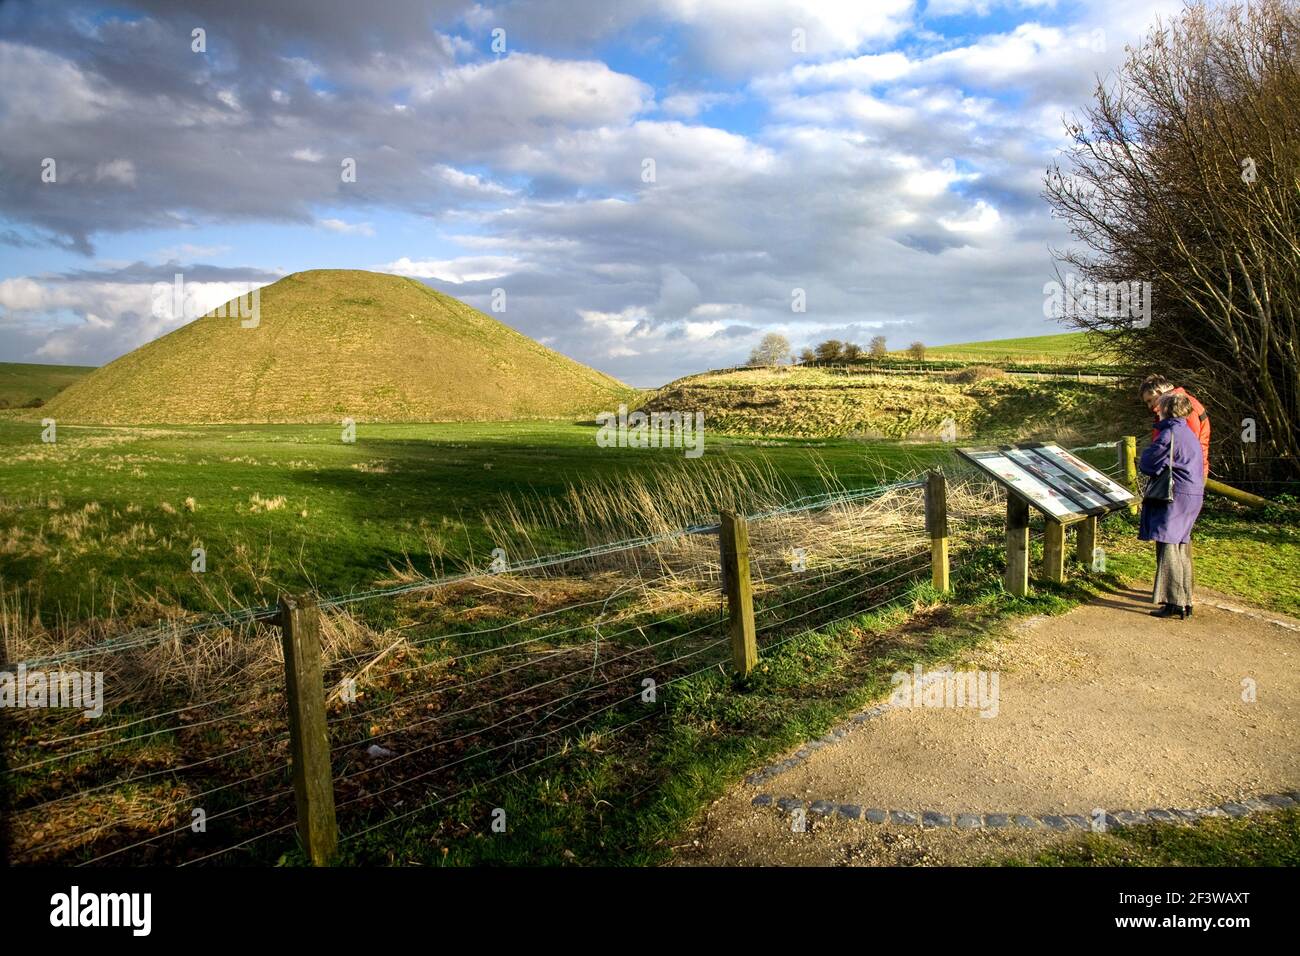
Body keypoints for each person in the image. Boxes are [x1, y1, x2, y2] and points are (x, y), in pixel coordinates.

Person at [1138, 392, 1206, 619]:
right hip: (1193, 495)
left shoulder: (1169, 434)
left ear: (1167, 410)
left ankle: (1173, 602)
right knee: (1181, 546)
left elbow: (1148, 463)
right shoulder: (1188, 433)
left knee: (1167, 545)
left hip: (1175, 496)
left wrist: (1146, 454)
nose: (1156, 409)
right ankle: (1185, 599)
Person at [1140, 374, 1210, 477]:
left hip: (1187, 472)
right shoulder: (1170, 409)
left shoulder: (1184, 408)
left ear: (1160, 392)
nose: (1149, 406)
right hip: (1182, 470)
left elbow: (1188, 446)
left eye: (1150, 400)